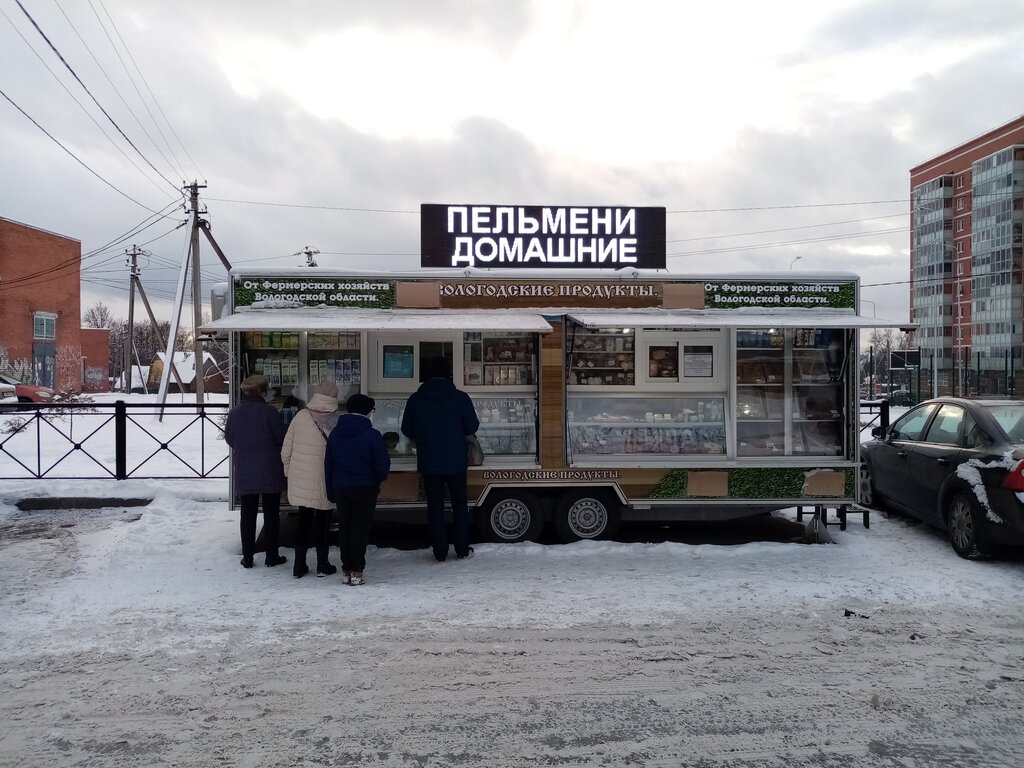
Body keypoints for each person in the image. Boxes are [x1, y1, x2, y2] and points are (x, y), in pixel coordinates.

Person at [401, 357, 480, 562]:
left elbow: (407, 429)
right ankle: (462, 549)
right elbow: (472, 426)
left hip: (429, 463)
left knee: (435, 506)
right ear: (449, 374)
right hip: (456, 462)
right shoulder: (460, 398)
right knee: (459, 505)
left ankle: (440, 551)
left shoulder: (415, 399)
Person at [324, 393, 390, 586]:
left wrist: (331, 490)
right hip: (365, 488)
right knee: (360, 530)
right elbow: (381, 466)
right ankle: (357, 571)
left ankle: (346, 569)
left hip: (341, 487)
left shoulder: (335, 434)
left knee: (345, 529)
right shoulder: (372, 435)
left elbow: (328, 464)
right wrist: (378, 479)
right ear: (368, 412)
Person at [224, 374, 288, 569]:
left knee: (248, 513)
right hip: (269, 468)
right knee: (271, 514)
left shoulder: (234, 413)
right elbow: (281, 437)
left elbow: (229, 439)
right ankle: (272, 555)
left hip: (245, 468)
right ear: (263, 391)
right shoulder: (270, 412)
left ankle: (248, 557)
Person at [281, 381, 341, 579]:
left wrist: (290, 472)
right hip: (324, 479)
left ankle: (299, 566)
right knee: (323, 522)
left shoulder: (301, 416)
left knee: (303, 521)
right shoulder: (335, 420)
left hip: (301, 479)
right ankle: (323, 564)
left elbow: (286, 449)